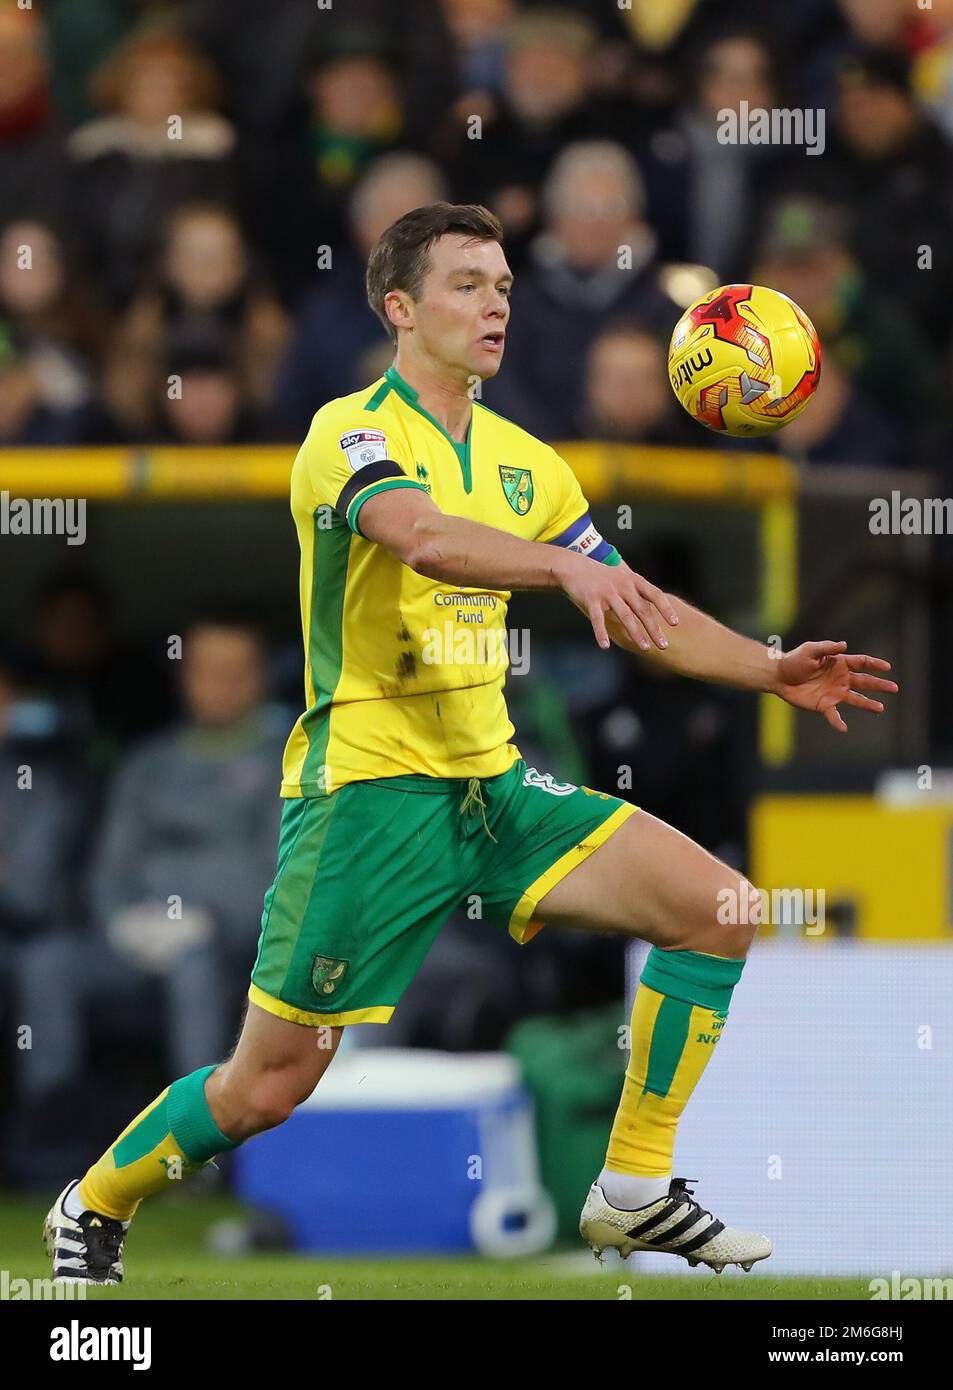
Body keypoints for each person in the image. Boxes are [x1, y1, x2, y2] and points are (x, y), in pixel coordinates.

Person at [46, 203, 898, 1285]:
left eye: (500, 284)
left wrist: (764, 667)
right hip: (368, 795)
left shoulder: (524, 461)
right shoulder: (347, 430)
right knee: (267, 1087)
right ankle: (98, 1197)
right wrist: (562, 569)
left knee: (718, 907)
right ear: (400, 308)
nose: (493, 302)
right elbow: (422, 537)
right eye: (464, 284)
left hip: (491, 789)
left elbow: (642, 606)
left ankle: (631, 1188)